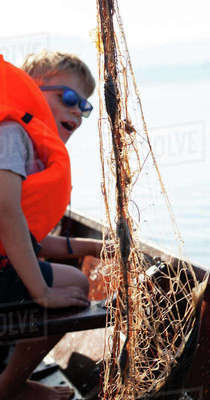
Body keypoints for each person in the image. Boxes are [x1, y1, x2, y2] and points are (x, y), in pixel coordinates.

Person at [0, 51, 102, 400]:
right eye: (68, 98)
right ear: (32, 87)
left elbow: (27, 241)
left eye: (84, 107)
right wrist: (42, 292)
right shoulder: (11, 132)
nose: (77, 110)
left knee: (50, 275)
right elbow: (5, 213)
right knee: (75, 286)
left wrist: (91, 247)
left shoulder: (26, 145)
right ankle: (9, 387)